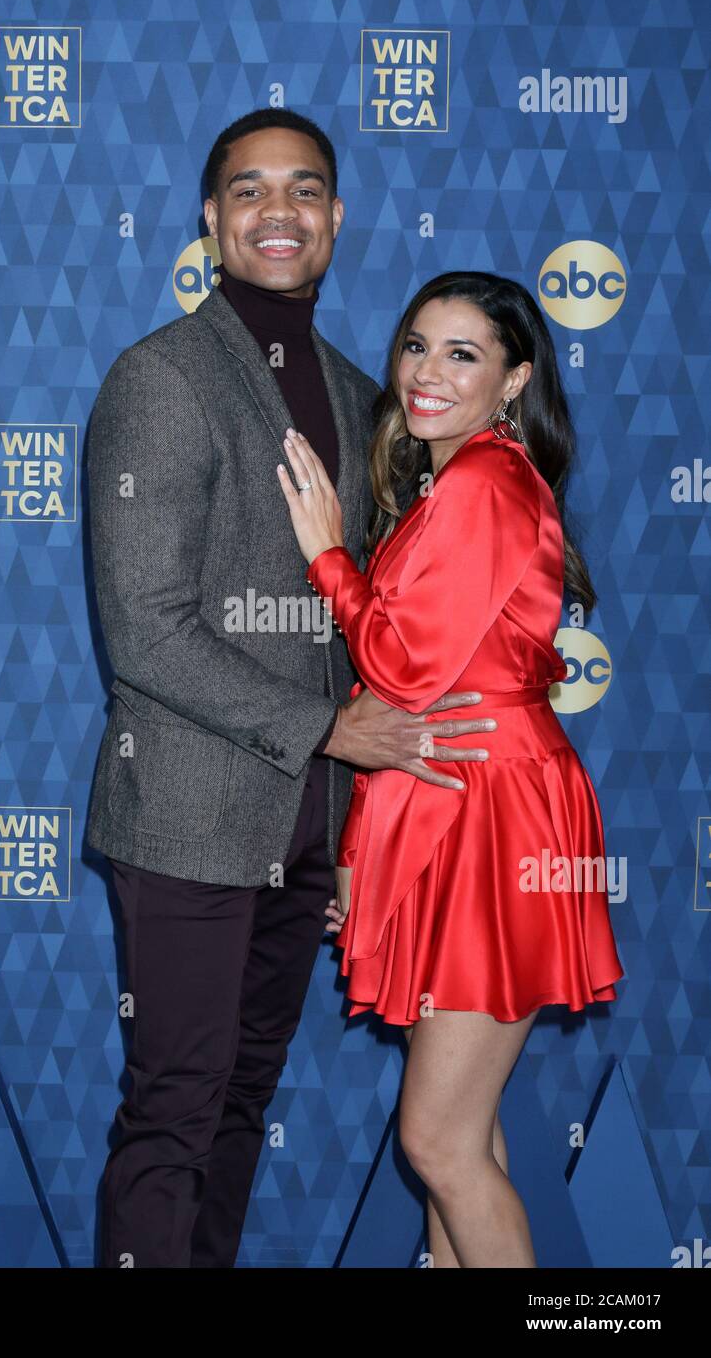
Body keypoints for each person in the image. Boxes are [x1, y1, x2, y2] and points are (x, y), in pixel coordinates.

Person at [86, 111, 498, 1268]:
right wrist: (331, 732)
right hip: (184, 819)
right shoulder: (161, 380)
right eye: (250, 191)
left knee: (235, 1109)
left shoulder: (367, 396)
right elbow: (145, 635)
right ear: (211, 221)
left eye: (304, 190)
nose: (280, 213)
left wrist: (351, 827)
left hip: (304, 831)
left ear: (336, 218)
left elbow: (375, 637)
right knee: (173, 1112)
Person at [277, 270, 626, 1268]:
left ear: (514, 378)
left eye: (461, 353)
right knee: (459, 1138)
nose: (426, 371)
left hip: (495, 815)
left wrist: (326, 557)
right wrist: (366, 852)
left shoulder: (480, 481)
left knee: (434, 1140)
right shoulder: (457, 482)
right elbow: (403, 703)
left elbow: (400, 667)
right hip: (459, 804)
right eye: (416, 345)